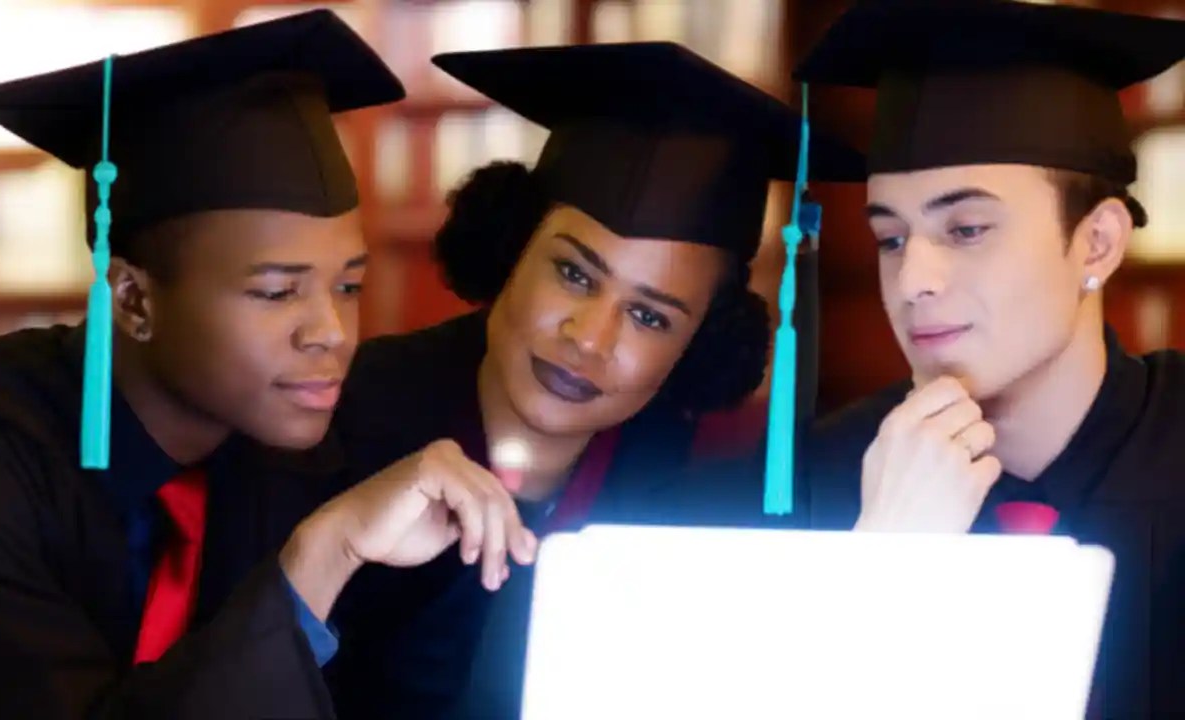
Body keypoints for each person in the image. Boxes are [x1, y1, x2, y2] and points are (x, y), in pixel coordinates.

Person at [0, 11, 538, 720]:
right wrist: (319, 560)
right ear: (133, 298)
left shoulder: (319, 457)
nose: (330, 332)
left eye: (349, 285)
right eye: (276, 292)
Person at [324, 42, 866, 719]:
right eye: (573, 274)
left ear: (702, 345)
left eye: (649, 316)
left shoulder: (702, 497)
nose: (589, 337)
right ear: (510, 246)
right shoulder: (339, 424)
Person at [792, 0, 1185, 716]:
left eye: (967, 229)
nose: (913, 280)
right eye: (890, 239)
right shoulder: (817, 480)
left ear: (1096, 242)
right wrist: (880, 570)